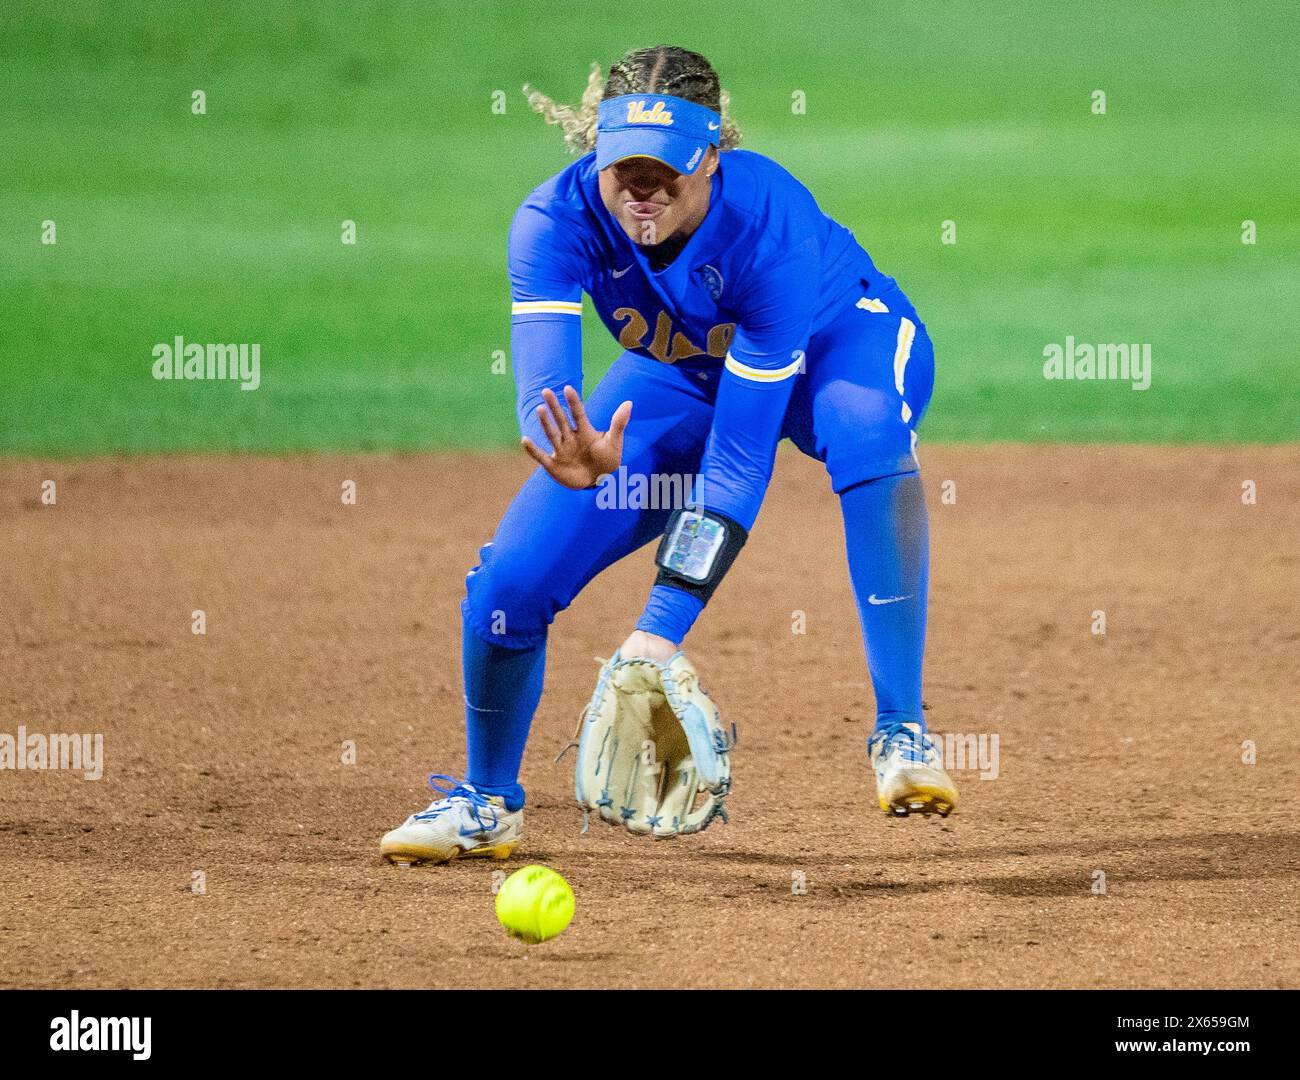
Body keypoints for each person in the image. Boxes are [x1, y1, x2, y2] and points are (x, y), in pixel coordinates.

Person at [380, 45, 957, 865]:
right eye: (625, 169)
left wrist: (658, 632)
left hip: (839, 342)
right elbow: (548, 390)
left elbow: (735, 466)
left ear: (714, 154)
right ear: (596, 154)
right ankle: (487, 802)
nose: (642, 189)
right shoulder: (551, 222)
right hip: (681, 370)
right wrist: (564, 454)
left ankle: (902, 733)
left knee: (863, 431)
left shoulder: (768, 225)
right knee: (508, 580)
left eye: (666, 170)